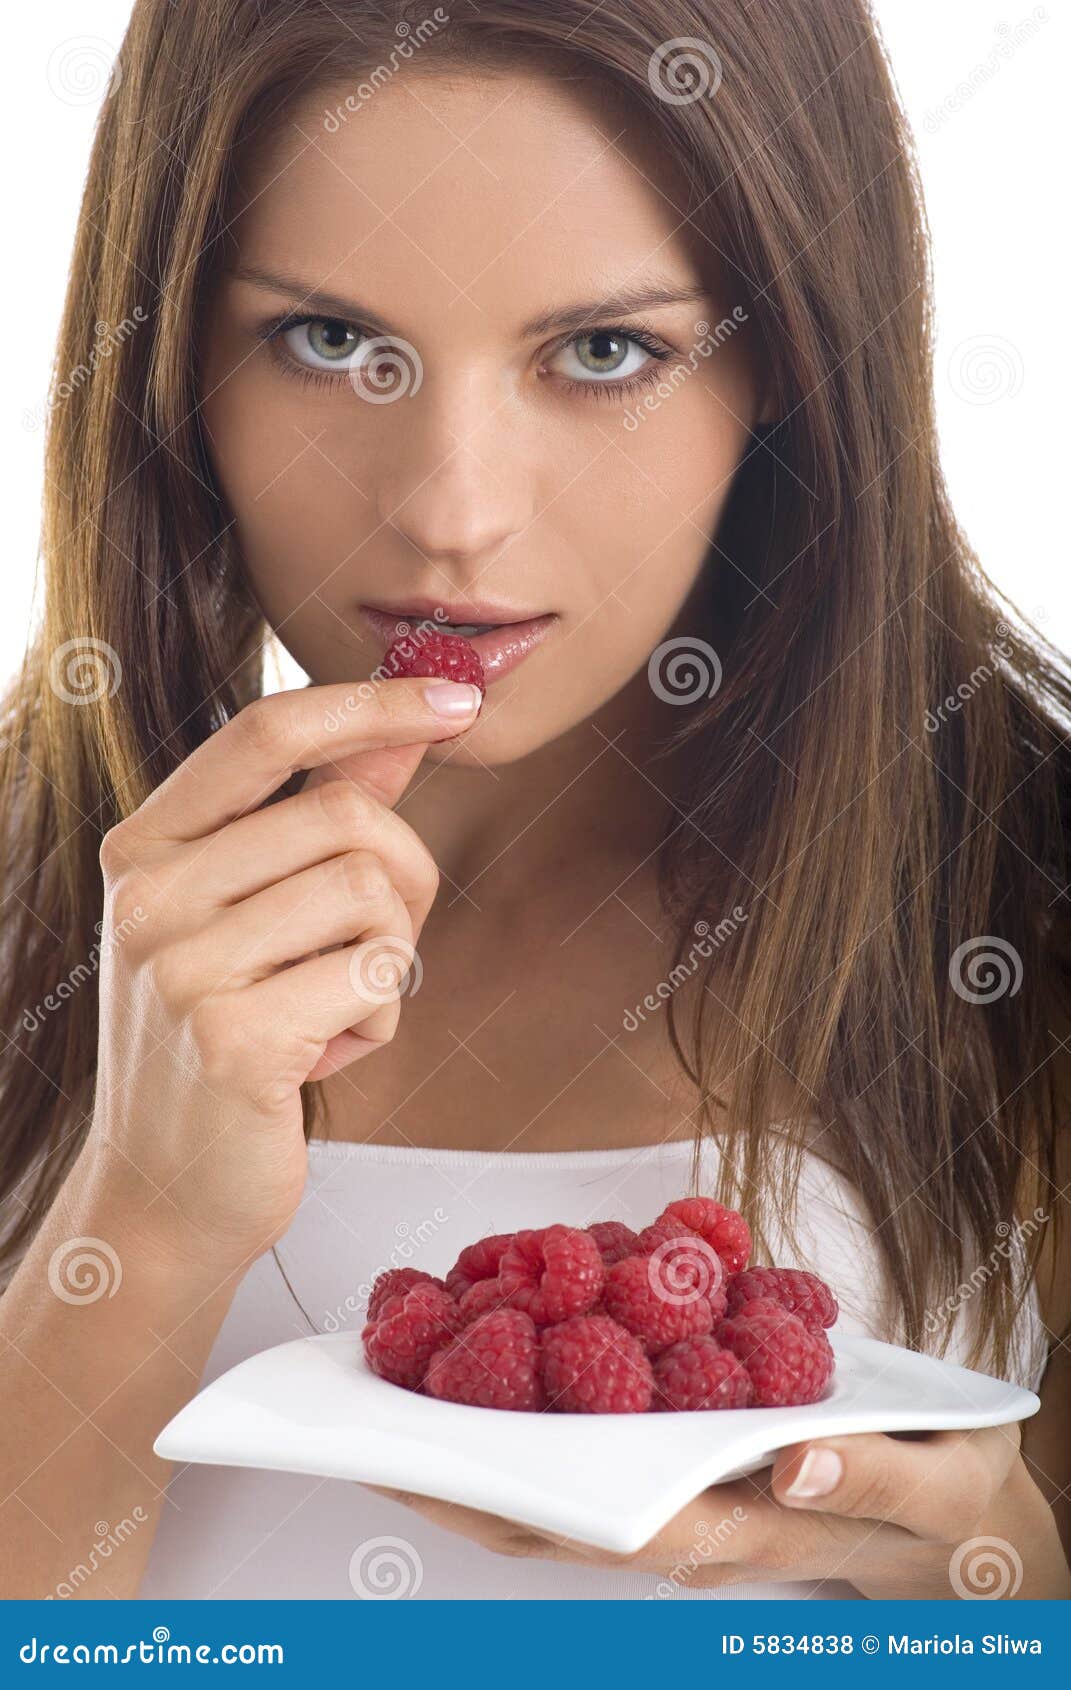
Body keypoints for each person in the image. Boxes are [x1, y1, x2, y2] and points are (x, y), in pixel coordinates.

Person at [1, 0, 1068, 1600]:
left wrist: (991, 1583)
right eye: (332, 342)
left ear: (785, 354)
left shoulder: (1028, 907)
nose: (452, 514)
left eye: (602, 352)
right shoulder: (29, 886)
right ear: (168, 351)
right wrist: (139, 1229)